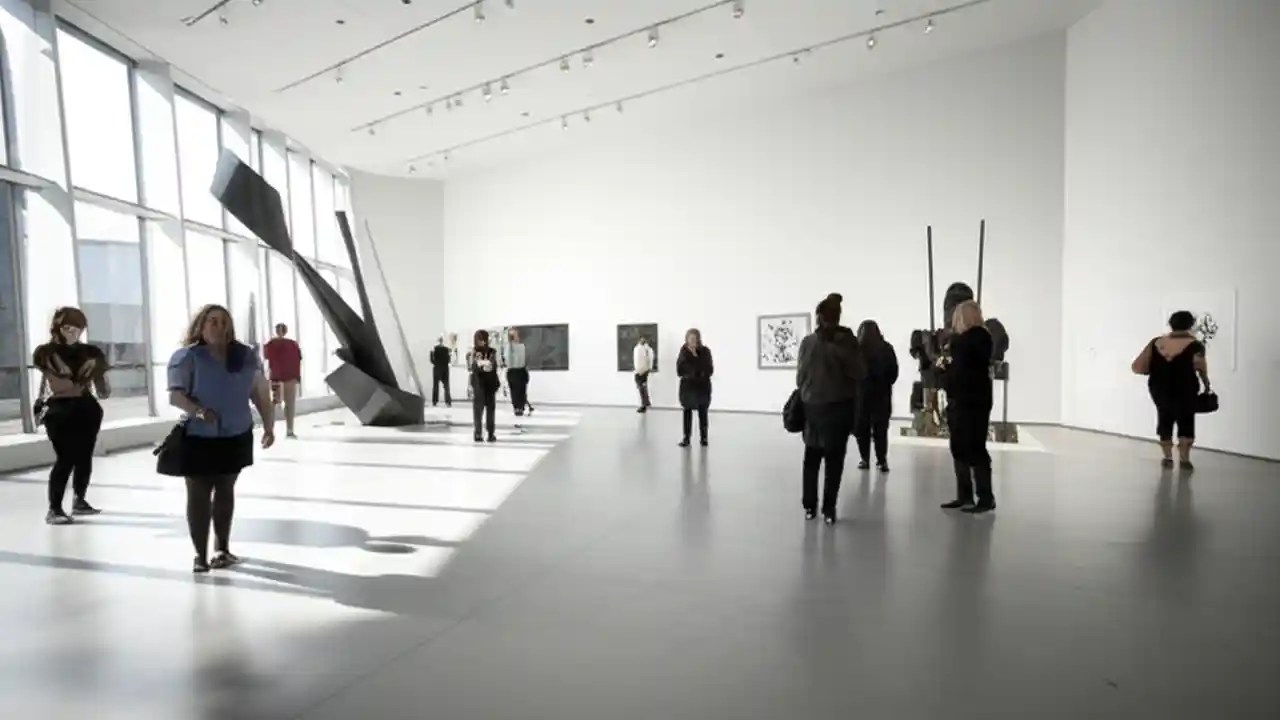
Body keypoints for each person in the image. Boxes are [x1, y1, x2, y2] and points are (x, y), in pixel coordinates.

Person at [168, 304, 275, 573]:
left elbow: (259, 393)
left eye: (224, 322)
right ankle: (200, 555)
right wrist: (199, 411)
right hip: (198, 437)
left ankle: (222, 549)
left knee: (226, 489)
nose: (219, 327)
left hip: (236, 434)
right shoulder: (187, 357)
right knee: (199, 494)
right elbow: (176, 395)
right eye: (213, 321)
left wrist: (269, 426)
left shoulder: (245, 356)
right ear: (201, 326)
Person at [32, 307, 110, 525]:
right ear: (58, 328)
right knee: (65, 458)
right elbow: (60, 385)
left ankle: (79, 501)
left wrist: (100, 376)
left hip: (86, 408)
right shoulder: (46, 353)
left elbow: (103, 390)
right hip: (60, 410)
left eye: (77, 328)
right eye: (67, 328)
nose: (72, 332)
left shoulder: (90, 352)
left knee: (84, 456)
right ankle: (54, 508)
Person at [797, 294, 866, 524]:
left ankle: (809, 507)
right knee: (834, 462)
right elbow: (860, 373)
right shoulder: (847, 342)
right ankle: (829, 509)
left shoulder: (808, 343)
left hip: (813, 408)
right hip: (839, 409)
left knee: (811, 459)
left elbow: (800, 377)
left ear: (818, 317)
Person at [1131, 310, 1210, 470]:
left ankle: (1167, 457)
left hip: (1159, 387)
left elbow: (1137, 367)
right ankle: (1185, 459)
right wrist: (1206, 384)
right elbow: (1200, 367)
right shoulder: (1196, 345)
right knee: (1186, 420)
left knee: (1164, 418)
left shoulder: (1156, 343)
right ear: (1190, 325)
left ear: (1171, 324)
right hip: (1186, 387)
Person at [939, 300, 995, 514]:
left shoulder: (963, 343)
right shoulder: (982, 340)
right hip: (976, 401)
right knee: (969, 448)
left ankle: (977, 497)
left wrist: (943, 371)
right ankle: (975, 496)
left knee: (967, 449)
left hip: (965, 402)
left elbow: (956, 373)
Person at [854, 320, 899, 472]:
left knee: (862, 430)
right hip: (882, 396)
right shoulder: (886, 349)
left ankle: (864, 459)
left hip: (861, 396)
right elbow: (894, 372)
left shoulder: (857, 350)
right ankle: (882, 460)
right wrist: (885, 383)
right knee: (881, 430)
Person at [262, 323, 301, 438]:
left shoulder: (270, 344)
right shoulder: (293, 344)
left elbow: (266, 356)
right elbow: (298, 360)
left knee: (274, 403)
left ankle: (270, 429)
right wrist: (297, 377)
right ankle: (289, 430)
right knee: (289, 404)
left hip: (276, 378)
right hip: (289, 378)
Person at [676, 329, 714, 447]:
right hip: (688, 388)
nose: (692, 341)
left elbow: (709, 369)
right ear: (687, 339)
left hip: (702, 387)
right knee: (687, 412)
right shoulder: (683, 353)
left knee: (703, 412)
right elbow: (680, 370)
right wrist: (693, 371)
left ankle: (704, 438)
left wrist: (696, 359)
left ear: (698, 339)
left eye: (694, 339)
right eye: (690, 339)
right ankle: (686, 438)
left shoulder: (705, 352)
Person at [469, 330, 500, 442]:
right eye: (479, 340)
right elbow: (473, 367)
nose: (482, 342)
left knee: (488, 410)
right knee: (479, 410)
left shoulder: (491, 351)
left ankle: (489, 433)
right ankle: (479, 433)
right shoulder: (473, 352)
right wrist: (484, 365)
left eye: (483, 339)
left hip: (488, 384)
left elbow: (492, 366)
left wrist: (481, 365)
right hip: (479, 384)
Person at [505, 328, 534, 417]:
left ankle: (521, 407)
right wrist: (510, 345)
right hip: (512, 371)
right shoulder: (508, 347)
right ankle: (517, 407)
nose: (514, 337)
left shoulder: (522, 346)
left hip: (521, 370)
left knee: (522, 390)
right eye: (512, 335)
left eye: (515, 335)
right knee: (514, 391)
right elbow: (508, 361)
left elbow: (524, 359)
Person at [634, 335, 655, 413]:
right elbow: (636, 359)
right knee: (641, 388)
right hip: (638, 370)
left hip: (643, 371)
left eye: (644, 339)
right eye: (641, 338)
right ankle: (645, 403)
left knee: (642, 387)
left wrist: (649, 368)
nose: (642, 340)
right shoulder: (637, 348)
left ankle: (645, 404)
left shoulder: (647, 349)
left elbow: (650, 358)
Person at [430, 337, 453, 408]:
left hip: (437, 368)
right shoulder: (446, 349)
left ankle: (434, 401)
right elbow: (449, 360)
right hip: (445, 368)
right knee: (446, 386)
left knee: (435, 386)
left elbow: (431, 360)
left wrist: (436, 363)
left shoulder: (434, 349)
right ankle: (448, 402)